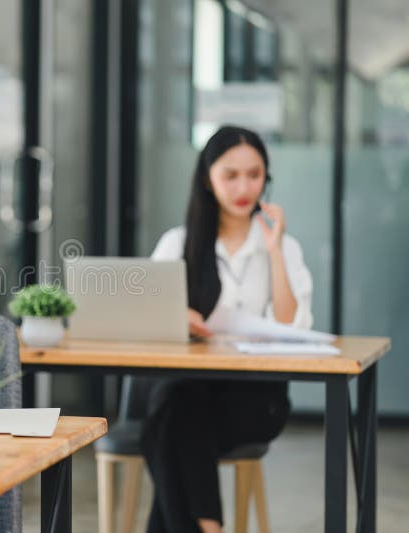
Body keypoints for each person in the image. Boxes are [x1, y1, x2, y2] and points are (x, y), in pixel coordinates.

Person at [142, 125, 313, 533]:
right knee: (181, 412)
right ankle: (209, 527)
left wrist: (273, 253)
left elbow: (293, 325)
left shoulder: (284, 247)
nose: (244, 187)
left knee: (168, 424)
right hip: (190, 390)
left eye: (254, 175)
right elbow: (141, 321)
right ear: (207, 178)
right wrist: (174, 316)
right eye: (230, 175)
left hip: (255, 399)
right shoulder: (178, 243)